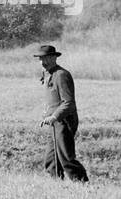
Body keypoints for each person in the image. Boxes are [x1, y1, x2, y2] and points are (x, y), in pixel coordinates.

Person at [35, 45, 88, 182]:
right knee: (51, 160)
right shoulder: (49, 74)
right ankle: (57, 185)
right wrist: (47, 115)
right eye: (40, 59)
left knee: (66, 158)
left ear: (54, 58)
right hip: (54, 122)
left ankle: (83, 184)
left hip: (64, 121)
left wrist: (54, 116)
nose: (42, 62)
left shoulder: (61, 75)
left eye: (45, 58)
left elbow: (68, 102)